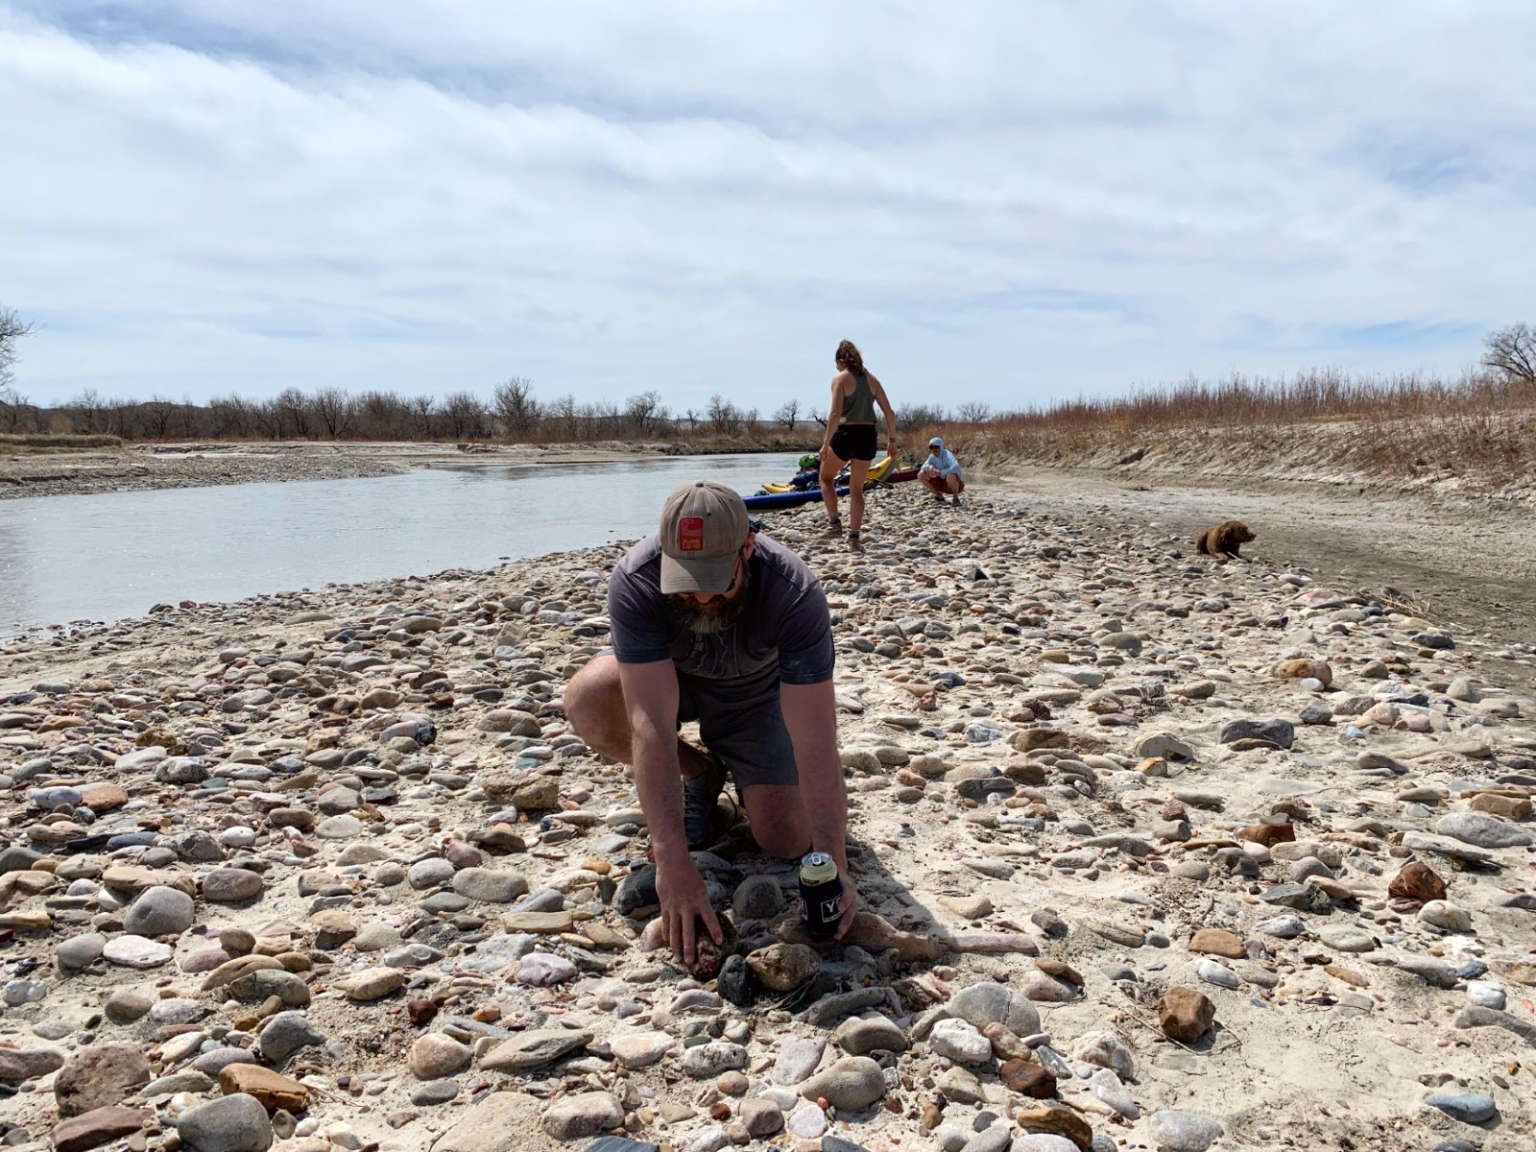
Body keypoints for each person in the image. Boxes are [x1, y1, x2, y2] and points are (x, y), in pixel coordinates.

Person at [563, 480, 857, 965]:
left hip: (758, 702)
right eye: (686, 581)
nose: (700, 597)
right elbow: (650, 723)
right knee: (588, 698)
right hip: (673, 684)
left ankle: (748, 770)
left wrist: (833, 861)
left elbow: (817, 738)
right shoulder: (636, 578)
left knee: (786, 839)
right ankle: (700, 771)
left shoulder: (793, 590)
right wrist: (672, 861)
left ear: (748, 546)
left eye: (716, 579)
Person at [819, 340, 897, 545]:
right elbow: (889, 412)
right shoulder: (872, 380)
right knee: (857, 489)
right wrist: (892, 440)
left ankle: (835, 524)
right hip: (868, 435)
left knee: (825, 477)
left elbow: (835, 413)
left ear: (840, 361)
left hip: (847, 434)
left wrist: (826, 443)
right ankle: (854, 535)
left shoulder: (840, 379)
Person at [918, 436, 965, 505]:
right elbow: (923, 467)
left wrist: (940, 472)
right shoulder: (931, 457)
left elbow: (956, 467)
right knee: (921, 474)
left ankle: (956, 498)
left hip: (954, 485)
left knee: (951, 475)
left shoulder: (947, 455)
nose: (934, 449)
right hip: (941, 484)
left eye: (936, 447)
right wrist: (930, 467)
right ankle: (939, 495)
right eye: (931, 447)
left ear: (941, 446)